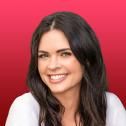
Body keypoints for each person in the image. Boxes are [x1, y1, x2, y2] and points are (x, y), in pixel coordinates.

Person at [5, 11, 126, 126]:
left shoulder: (109, 105)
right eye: (43, 55)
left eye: (65, 54)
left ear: (87, 59)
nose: (52, 66)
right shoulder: (25, 107)